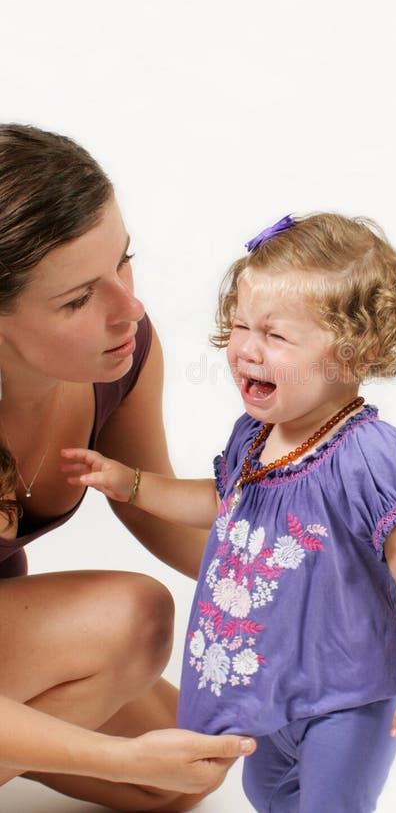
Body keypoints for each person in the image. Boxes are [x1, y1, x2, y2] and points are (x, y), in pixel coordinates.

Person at [63, 212, 396, 812]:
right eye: (241, 325)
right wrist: (134, 484)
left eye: (275, 336)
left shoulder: (370, 456)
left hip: (345, 688)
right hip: (268, 678)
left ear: (354, 353)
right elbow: (223, 505)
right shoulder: (256, 435)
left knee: (332, 802)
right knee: (266, 790)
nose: (246, 347)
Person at [0, 123, 256, 812]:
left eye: (124, 261)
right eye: (79, 300)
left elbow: (154, 505)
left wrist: (305, 588)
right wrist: (113, 755)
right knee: (131, 618)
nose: (128, 308)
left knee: (180, 776)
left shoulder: (125, 353)